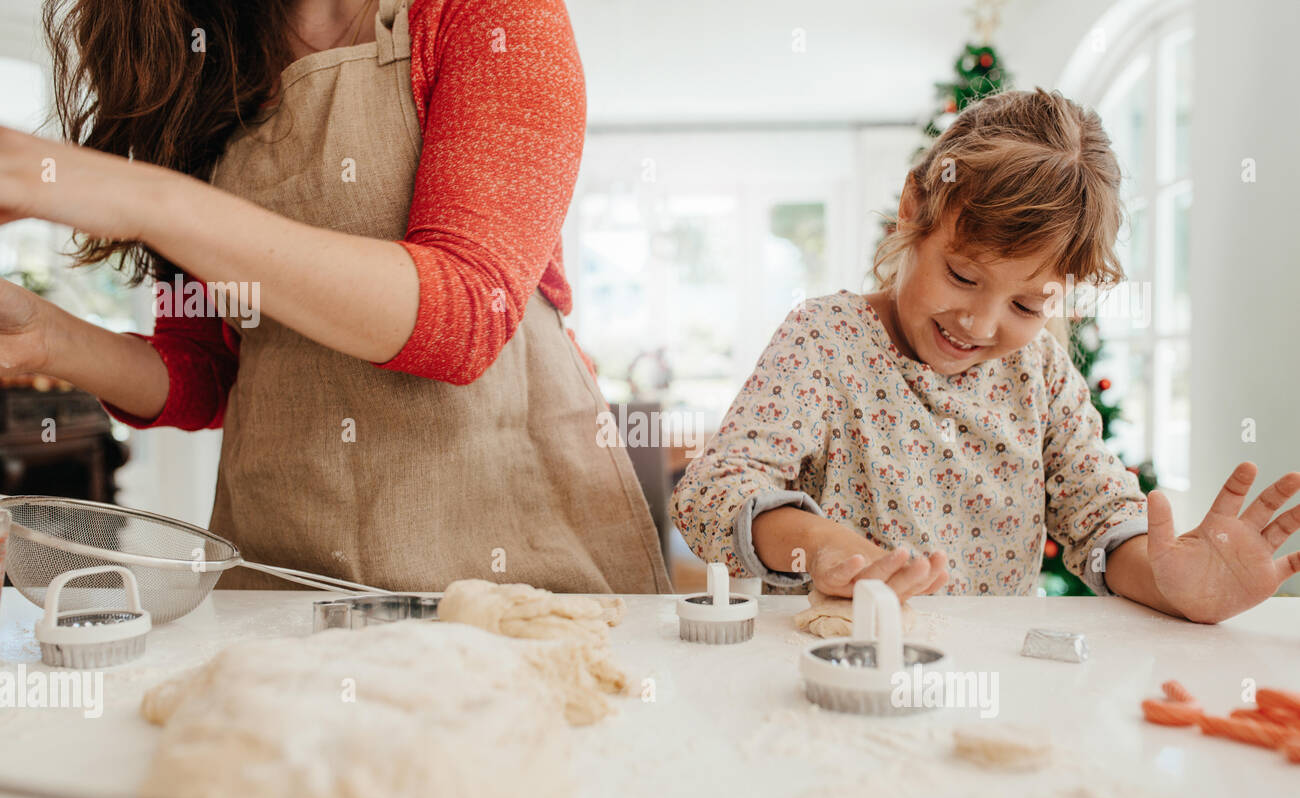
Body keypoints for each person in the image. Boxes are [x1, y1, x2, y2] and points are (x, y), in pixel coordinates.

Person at [0, 0, 670, 594]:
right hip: (286, 567)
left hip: (516, 564)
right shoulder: (197, 73)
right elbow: (204, 373)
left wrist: (146, 199)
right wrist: (51, 338)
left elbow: (463, 315)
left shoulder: (489, 14)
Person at [672, 88, 1299, 624]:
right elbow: (711, 492)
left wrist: (1172, 585)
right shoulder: (827, 339)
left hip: (993, 677)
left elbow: (1100, 514)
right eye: (963, 276)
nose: (979, 323)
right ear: (913, 211)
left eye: (1026, 308)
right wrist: (823, 547)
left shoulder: (1042, 375)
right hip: (837, 663)